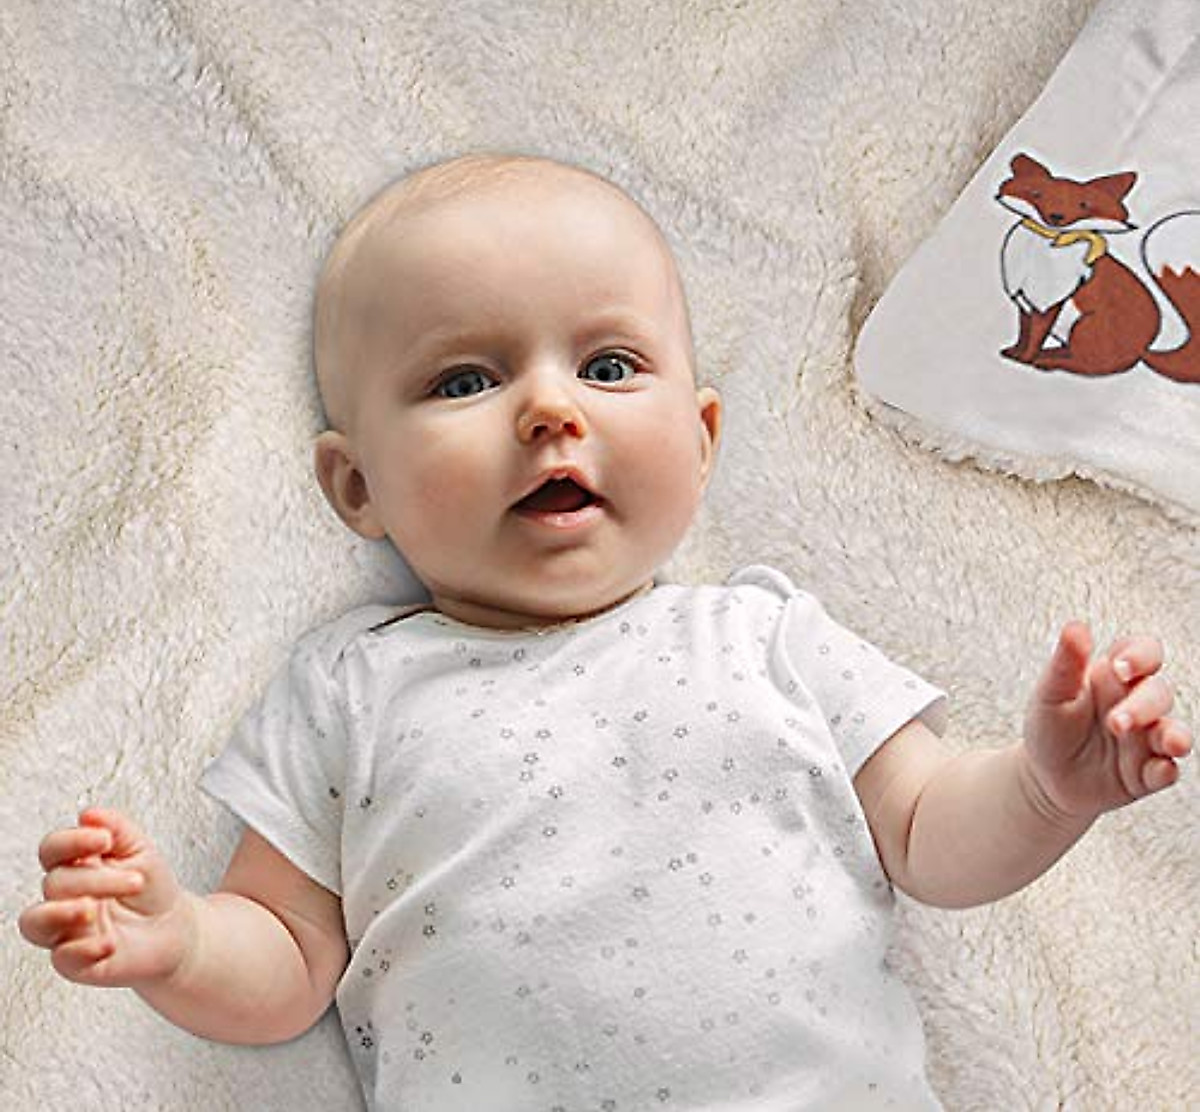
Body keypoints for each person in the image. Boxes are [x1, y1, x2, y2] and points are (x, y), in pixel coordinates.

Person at [20, 152, 1192, 1110]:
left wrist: (1043, 790)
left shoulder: (767, 639)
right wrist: (182, 944)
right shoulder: (349, 690)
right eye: (465, 381)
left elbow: (932, 835)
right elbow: (285, 957)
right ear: (357, 487)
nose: (550, 408)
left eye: (610, 365)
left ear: (702, 437)